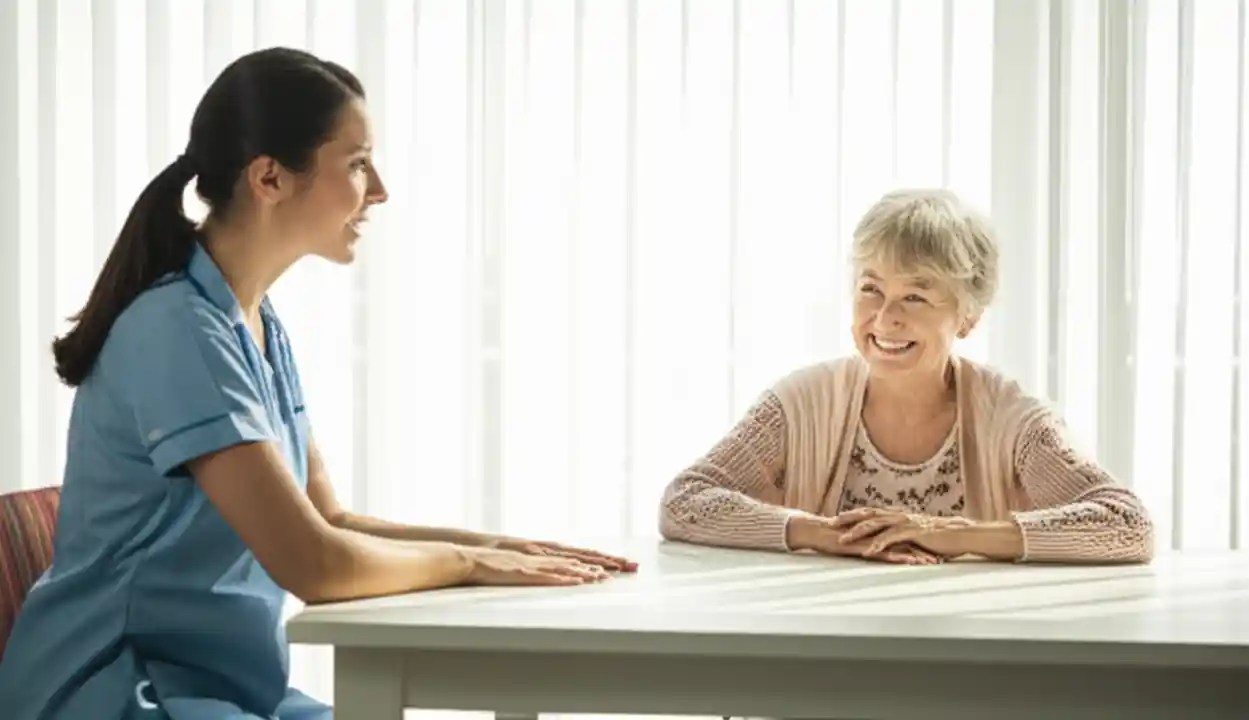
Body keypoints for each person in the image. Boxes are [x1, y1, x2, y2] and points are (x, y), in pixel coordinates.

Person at [0, 48, 635, 720]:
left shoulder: (251, 320)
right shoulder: (175, 329)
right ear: (269, 178)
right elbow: (313, 564)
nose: (380, 189)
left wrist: (500, 548)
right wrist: (464, 563)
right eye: (358, 163)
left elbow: (327, 519)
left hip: (222, 690)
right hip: (116, 691)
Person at [659, 189, 1153, 565]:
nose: (885, 317)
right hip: (819, 650)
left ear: (968, 316)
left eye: (915, 297)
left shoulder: (1014, 420)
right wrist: (823, 533)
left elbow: (1127, 525)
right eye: (871, 289)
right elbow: (686, 502)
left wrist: (948, 533)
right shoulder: (800, 402)